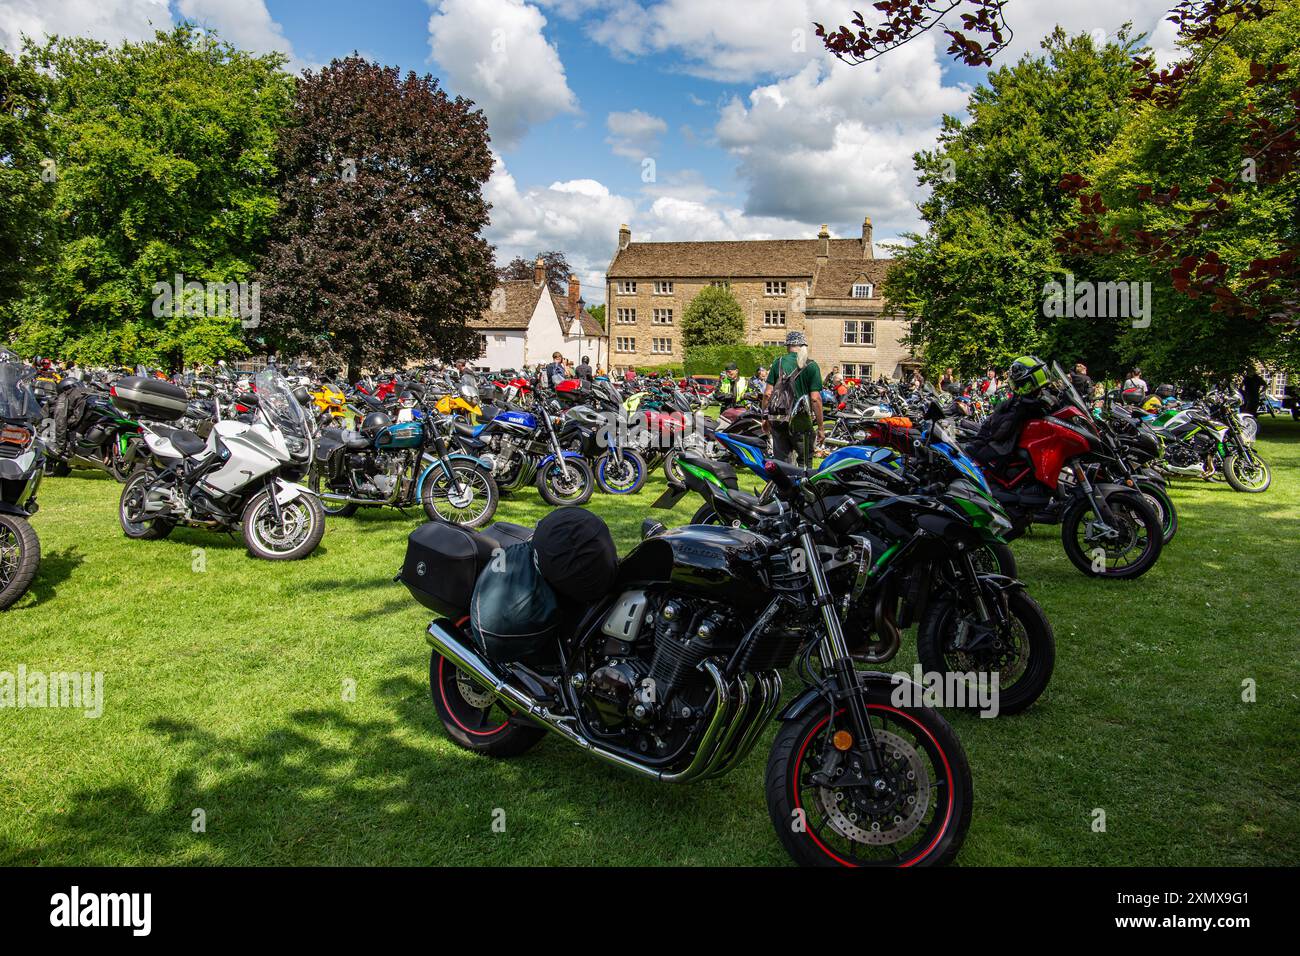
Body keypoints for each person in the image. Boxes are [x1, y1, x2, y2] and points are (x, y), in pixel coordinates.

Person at [966, 356, 1053, 470]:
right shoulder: (1032, 402)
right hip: (996, 449)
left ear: (1026, 381)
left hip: (996, 446)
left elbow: (1000, 431)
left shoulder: (1025, 404)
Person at [762, 330, 823, 466]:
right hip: (800, 420)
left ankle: (782, 487)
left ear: (788, 346)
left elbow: (767, 394)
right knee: (804, 462)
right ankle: (800, 486)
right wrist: (820, 427)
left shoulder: (778, 362)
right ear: (803, 346)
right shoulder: (812, 366)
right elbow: (815, 399)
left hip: (778, 419)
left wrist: (765, 418)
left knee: (782, 462)